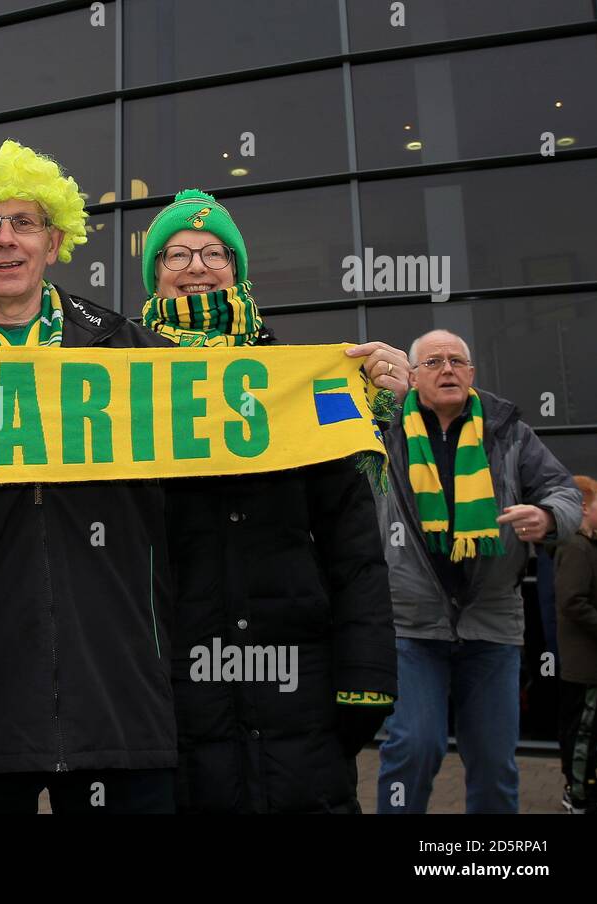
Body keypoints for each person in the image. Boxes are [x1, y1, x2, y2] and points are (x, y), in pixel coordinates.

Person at [0, 140, 178, 814]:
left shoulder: (130, 351)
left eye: (24, 222)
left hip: (115, 695)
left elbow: (247, 404)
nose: (5, 240)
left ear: (54, 241)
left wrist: (349, 389)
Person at [140, 188, 401, 812]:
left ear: (238, 271)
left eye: (213, 253)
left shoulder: (301, 381)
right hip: (169, 678)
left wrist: (365, 679)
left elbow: (354, 546)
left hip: (297, 683)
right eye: (176, 254)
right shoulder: (120, 379)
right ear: (154, 275)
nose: (196, 266)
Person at [374, 328, 582, 813]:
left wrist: (548, 517)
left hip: (492, 623)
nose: (447, 369)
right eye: (433, 362)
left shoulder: (508, 432)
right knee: (414, 748)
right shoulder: (383, 434)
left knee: (494, 763)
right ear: (411, 374)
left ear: (470, 373)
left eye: (456, 361)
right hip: (411, 624)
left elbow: (565, 493)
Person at [553, 474, 597, 813]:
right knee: (583, 732)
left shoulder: (590, 545)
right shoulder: (575, 546)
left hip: (591, 663)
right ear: (584, 506)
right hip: (584, 664)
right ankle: (578, 794)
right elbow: (572, 601)